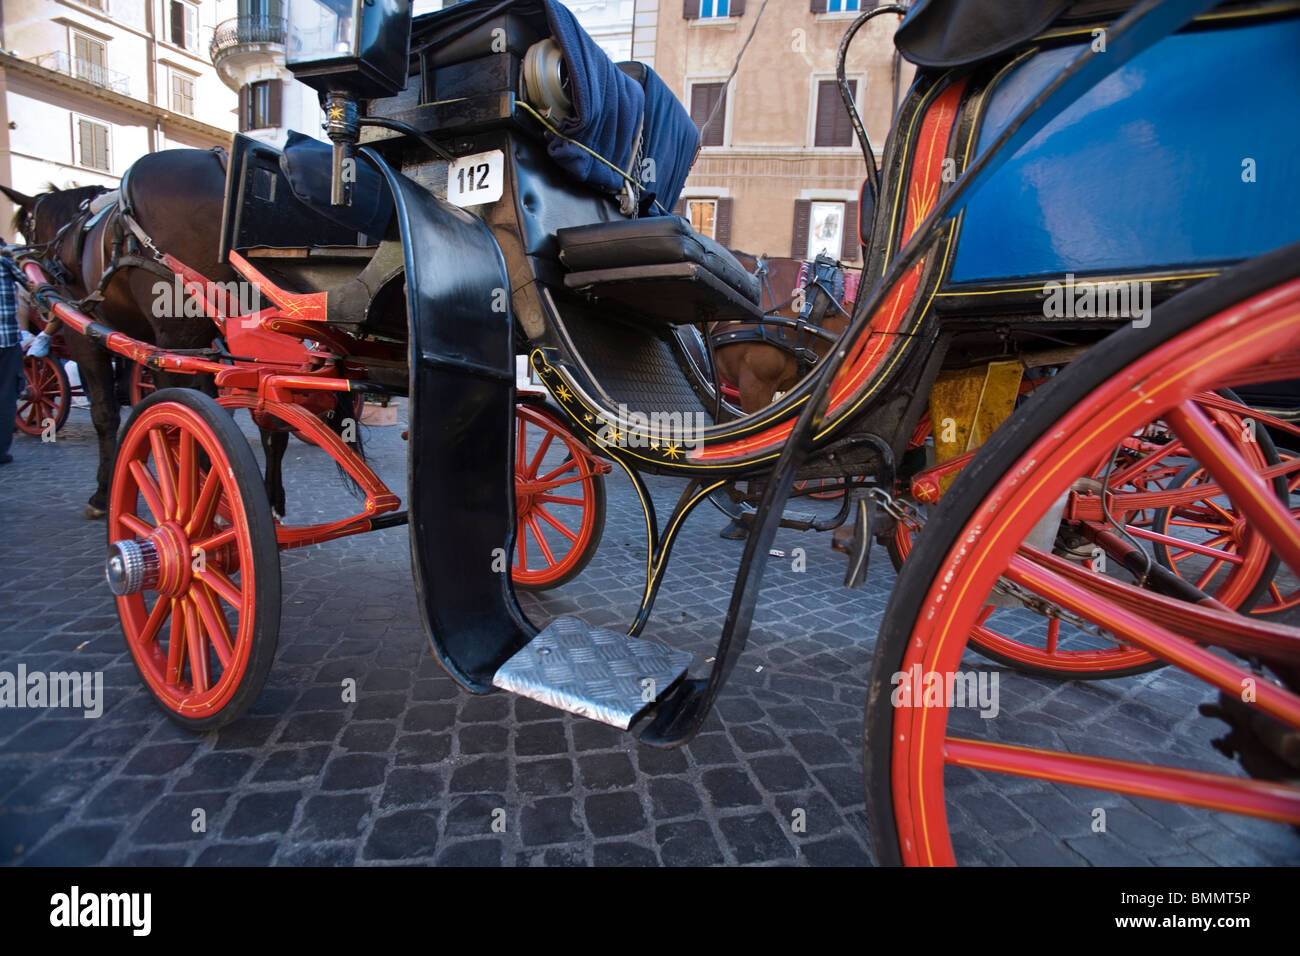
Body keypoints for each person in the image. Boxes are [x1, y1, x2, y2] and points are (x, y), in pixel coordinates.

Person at [0, 241, 25, 464]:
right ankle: (1, 451)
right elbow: (33, 284)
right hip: (6, 341)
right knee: (6, 396)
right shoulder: (6, 265)